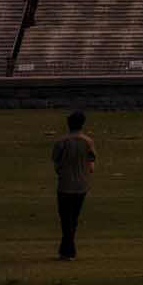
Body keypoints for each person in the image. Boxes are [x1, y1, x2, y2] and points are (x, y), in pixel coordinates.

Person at [51, 110, 97, 260]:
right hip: (81, 185)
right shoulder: (88, 142)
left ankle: (67, 251)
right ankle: (67, 250)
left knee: (65, 218)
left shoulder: (62, 142)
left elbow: (56, 161)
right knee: (73, 218)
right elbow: (91, 164)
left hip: (65, 184)